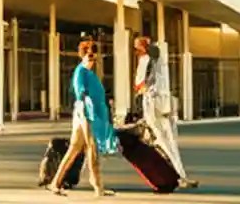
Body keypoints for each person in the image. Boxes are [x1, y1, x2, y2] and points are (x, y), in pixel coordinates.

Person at [48, 39, 117, 197]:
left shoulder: (90, 73)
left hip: (86, 114)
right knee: (91, 147)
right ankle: (98, 186)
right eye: (88, 54)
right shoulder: (81, 71)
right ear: (83, 55)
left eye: (93, 54)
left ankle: (55, 183)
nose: (91, 57)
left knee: (74, 149)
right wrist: (88, 112)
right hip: (85, 114)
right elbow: (81, 94)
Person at [133, 36, 197, 189]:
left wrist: (141, 90)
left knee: (163, 140)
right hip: (163, 102)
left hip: (153, 102)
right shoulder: (159, 59)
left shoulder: (146, 60)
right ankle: (180, 175)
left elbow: (139, 85)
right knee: (169, 140)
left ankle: (177, 175)